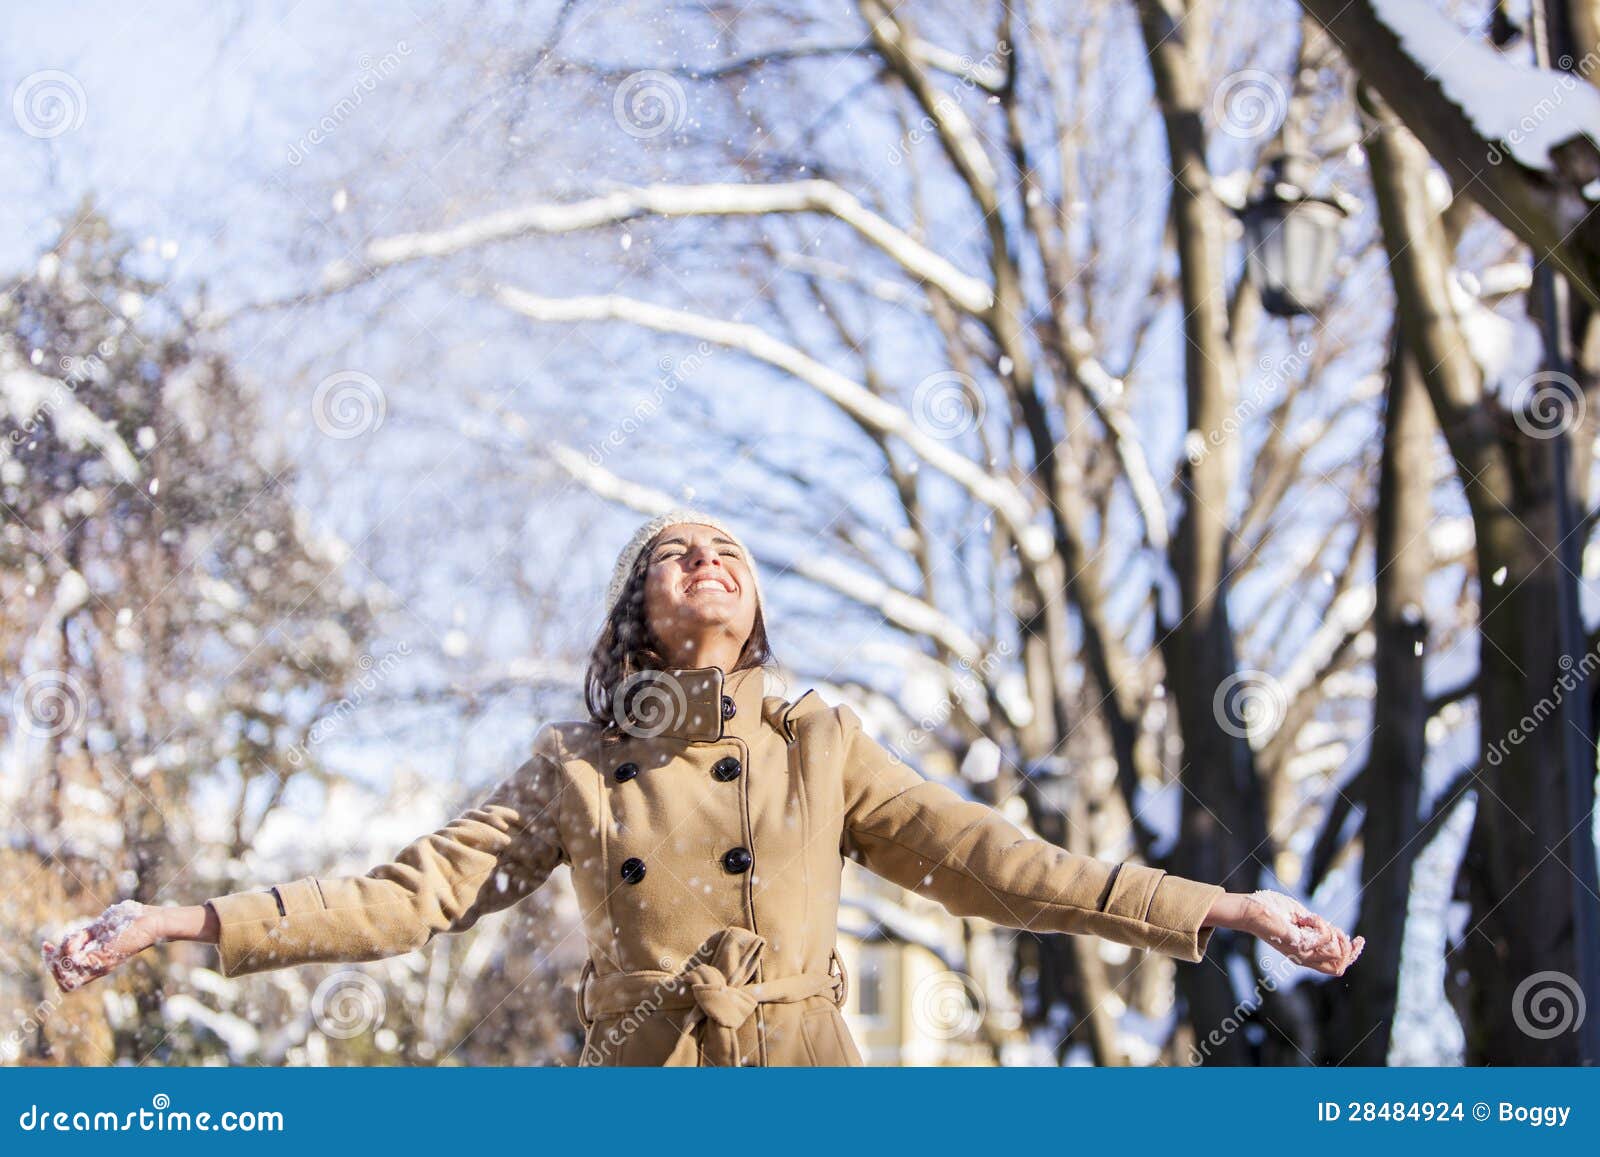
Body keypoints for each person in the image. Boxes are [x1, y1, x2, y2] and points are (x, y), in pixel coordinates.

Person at [42, 512, 1363, 1065]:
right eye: (675, 554)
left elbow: (1003, 863)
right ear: (638, 604)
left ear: (756, 603)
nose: (707, 561)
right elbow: (408, 897)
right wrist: (185, 921)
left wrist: (1219, 907)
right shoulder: (573, 768)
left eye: (728, 550)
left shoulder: (819, 741)